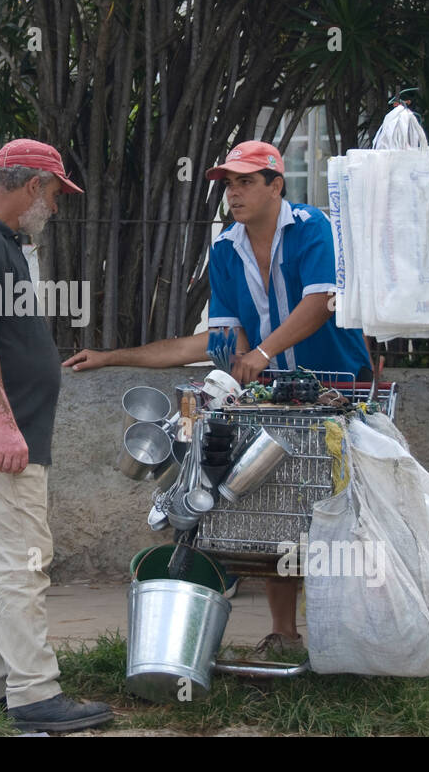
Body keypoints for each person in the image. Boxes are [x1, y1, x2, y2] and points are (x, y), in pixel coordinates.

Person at [64, 141, 372, 656]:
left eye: (247, 181)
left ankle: (356, 635)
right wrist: (112, 356)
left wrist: (265, 351)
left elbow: (321, 302)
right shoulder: (225, 248)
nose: (234, 192)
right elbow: (217, 342)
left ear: (277, 185)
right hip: (273, 397)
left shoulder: (312, 226)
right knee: (281, 504)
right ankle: (285, 633)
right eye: (229, 183)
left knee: (343, 515)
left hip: (336, 385)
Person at [0, 137, 114, 733]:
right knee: (20, 567)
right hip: (1, 444)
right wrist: (6, 425)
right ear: (31, 185)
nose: (57, 208)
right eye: (56, 194)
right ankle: (35, 696)